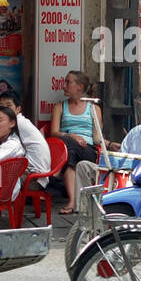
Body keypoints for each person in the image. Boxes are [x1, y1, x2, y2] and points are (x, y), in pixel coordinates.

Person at [49, 70, 104, 215]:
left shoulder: (93, 108)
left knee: (70, 150)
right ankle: (73, 201)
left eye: (68, 82)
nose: (64, 85)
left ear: (79, 87)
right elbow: (53, 132)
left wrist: (109, 144)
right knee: (70, 152)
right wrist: (72, 136)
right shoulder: (60, 107)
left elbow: (97, 138)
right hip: (67, 148)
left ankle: (55, 174)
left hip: (88, 149)